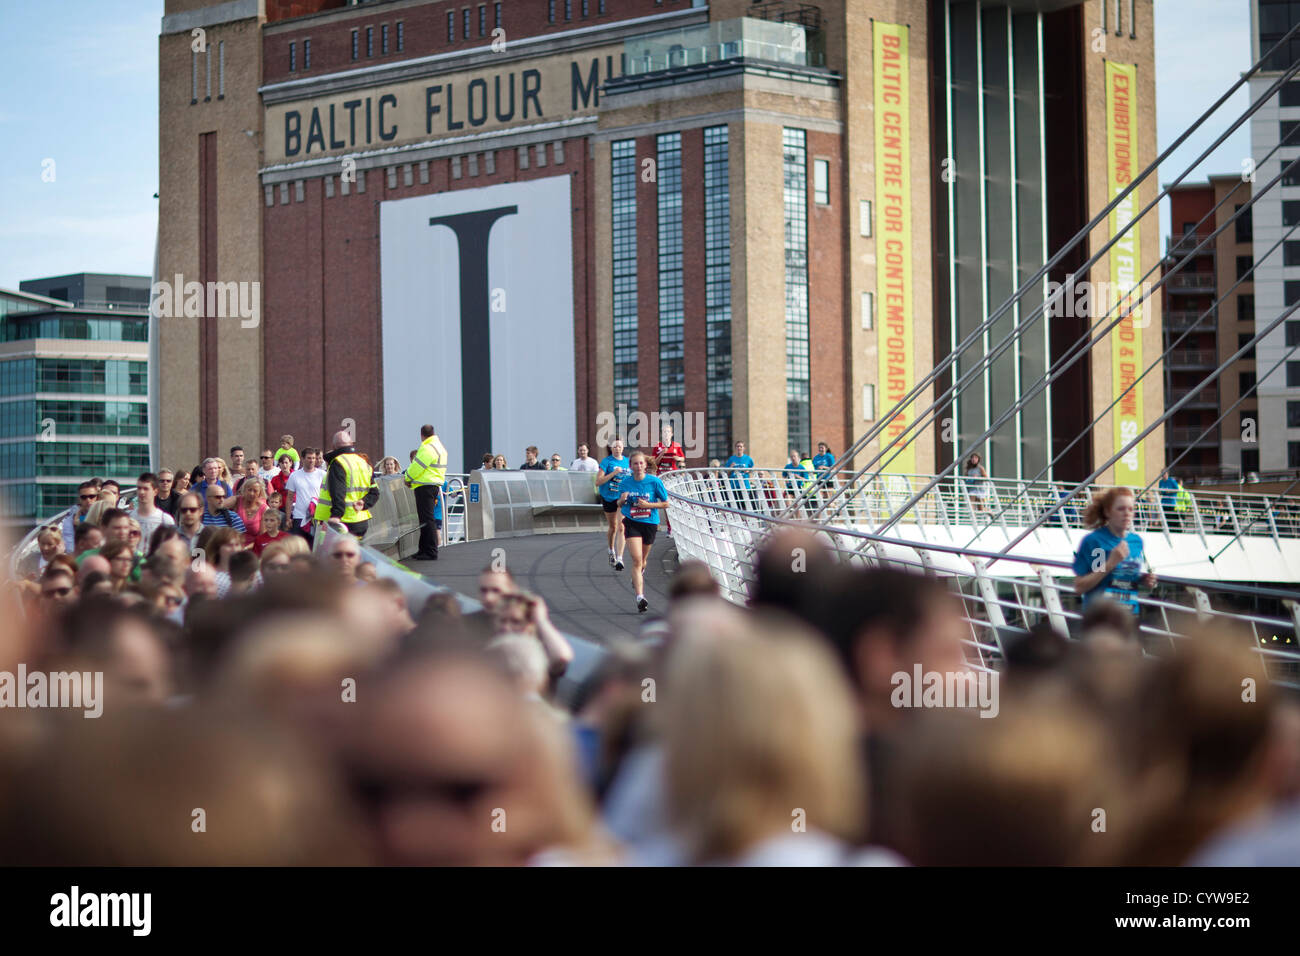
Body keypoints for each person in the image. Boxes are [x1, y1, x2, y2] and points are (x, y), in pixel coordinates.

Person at [1072, 486, 1157, 618]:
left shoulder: (1136, 542)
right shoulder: (1094, 541)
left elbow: (1123, 576)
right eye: (1120, 509)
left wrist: (1143, 580)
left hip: (1128, 616)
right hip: (1100, 617)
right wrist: (1111, 563)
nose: (1127, 513)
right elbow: (1080, 587)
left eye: (1131, 509)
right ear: (1107, 512)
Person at [617, 451, 670, 614]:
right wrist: (623, 499)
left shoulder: (654, 482)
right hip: (632, 522)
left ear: (645, 465)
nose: (638, 466)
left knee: (643, 561)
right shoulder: (625, 482)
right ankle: (640, 597)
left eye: (641, 463)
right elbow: (619, 503)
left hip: (650, 523)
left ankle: (638, 575)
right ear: (630, 466)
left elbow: (666, 504)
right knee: (636, 559)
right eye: (635, 464)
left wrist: (649, 505)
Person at [315, 430, 380, 539]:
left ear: (334, 446)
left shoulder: (338, 463)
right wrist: (364, 502)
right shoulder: (363, 462)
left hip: (342, 523)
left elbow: (338, 493)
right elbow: (375, 492)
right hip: (360, 520)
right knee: (355, 553)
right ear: (351, 444)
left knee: (335, 554)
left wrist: (336, 515)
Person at [405, 425, 448, 561]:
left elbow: (418, 466)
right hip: (433, 485)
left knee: (427, 519)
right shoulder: (439, 446)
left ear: (422, 435)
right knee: (426, 518)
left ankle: (430, 551)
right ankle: (423, 549)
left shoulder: (427, 447)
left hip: (425, 485)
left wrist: (407, 477)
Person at [597, 439, 630, 571]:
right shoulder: (607, 462)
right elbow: (598, 482)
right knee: (613, 527)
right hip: (609, 497)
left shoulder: (627, 461)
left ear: (623, 448)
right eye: (615, 446)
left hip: (622, 498)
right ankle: (611, 551)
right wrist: (614, 473)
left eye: (620, 446)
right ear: (611, 448)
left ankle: (620, 558)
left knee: (622, 527)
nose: (617, 448)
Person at [284, 447, 325, 540]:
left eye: (313, 458)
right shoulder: (294, 475)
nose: (312, 460)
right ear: (302, 459)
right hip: (299, 517)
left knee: (314, 549)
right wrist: (288, 518)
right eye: (309, 458)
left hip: (316, 517)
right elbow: (289, 498)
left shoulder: (322, 474)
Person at [127, 472, 175, 547]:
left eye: (146, 489)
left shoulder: (165, 520)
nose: (141, 492)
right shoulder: (128, 518)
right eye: (139, 488)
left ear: (155, 491)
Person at [61, 480, 98, 552]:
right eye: (84, 497)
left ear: (97, 497)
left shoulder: (105, 517)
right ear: (79, 499)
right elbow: (70, 547)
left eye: (92, 496)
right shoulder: (70, 520)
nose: (88, 500)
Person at [724, 440, 755, 510]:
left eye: (741, 446)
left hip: (745, 486)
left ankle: (745, 520)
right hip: (734, 486)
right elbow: (726, 472)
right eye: (737, 446)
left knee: (745, 506)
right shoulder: (731, 459)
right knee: (735, 506)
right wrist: (731, 467)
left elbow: (752, 469)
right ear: (735, 448)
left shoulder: (748, 459)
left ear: (744, 448)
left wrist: (748, 470)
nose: (739, 448)